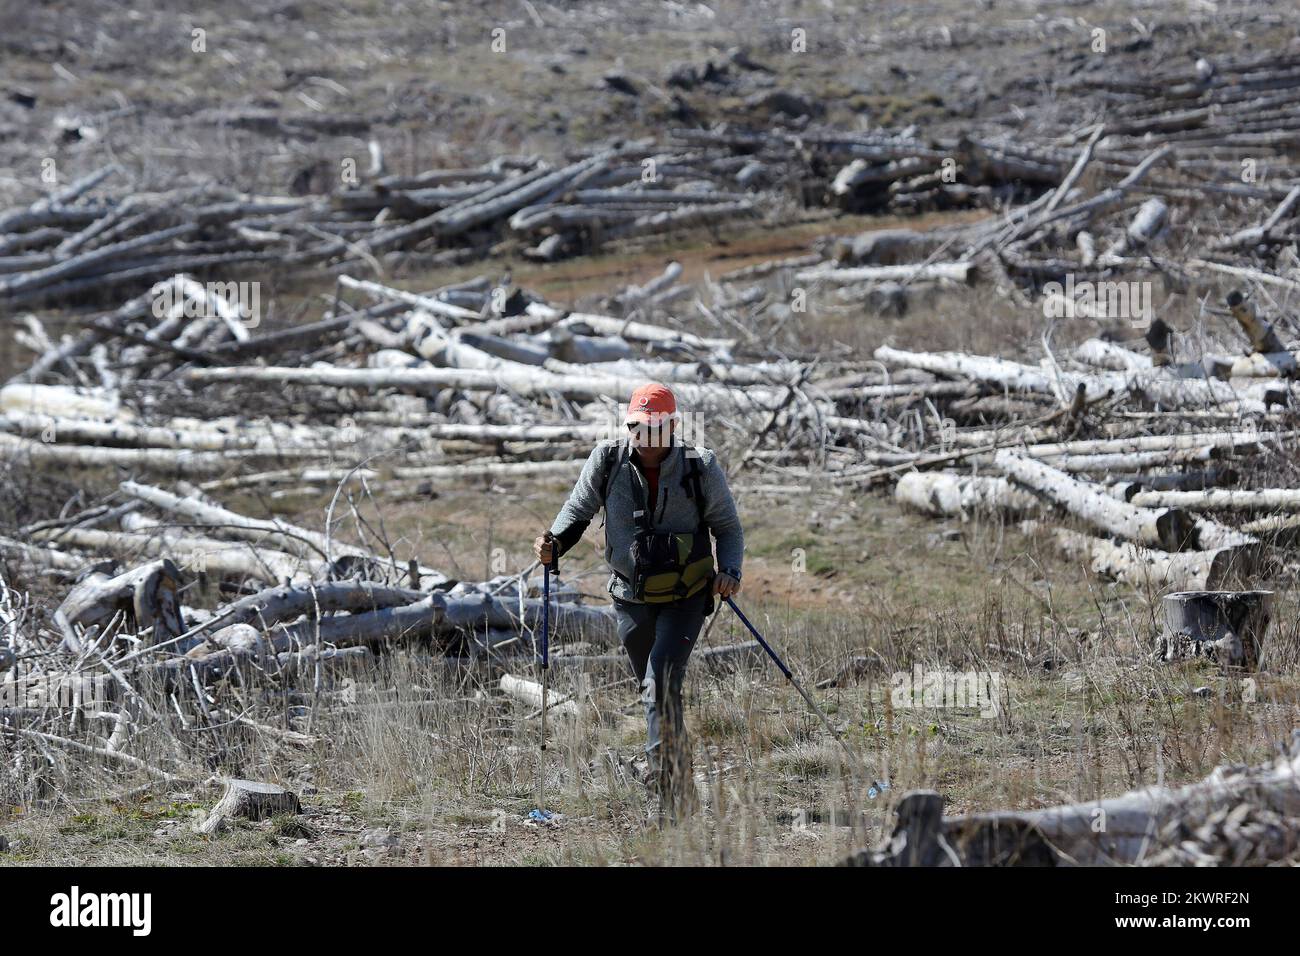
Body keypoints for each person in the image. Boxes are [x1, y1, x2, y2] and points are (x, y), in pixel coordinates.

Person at [534, 382, 743, 821]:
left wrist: (730, 572)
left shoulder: (700, 467)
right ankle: (678, 780)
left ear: (671, 427)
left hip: (686, 596)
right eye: (636, 425)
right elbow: (578, 511)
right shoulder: (607, 461)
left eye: (653, 426)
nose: (643, 434)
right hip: (630, 598)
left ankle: (671, 799)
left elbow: (727, 527)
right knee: (657, 693)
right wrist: (554, 543)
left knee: (659, 685)